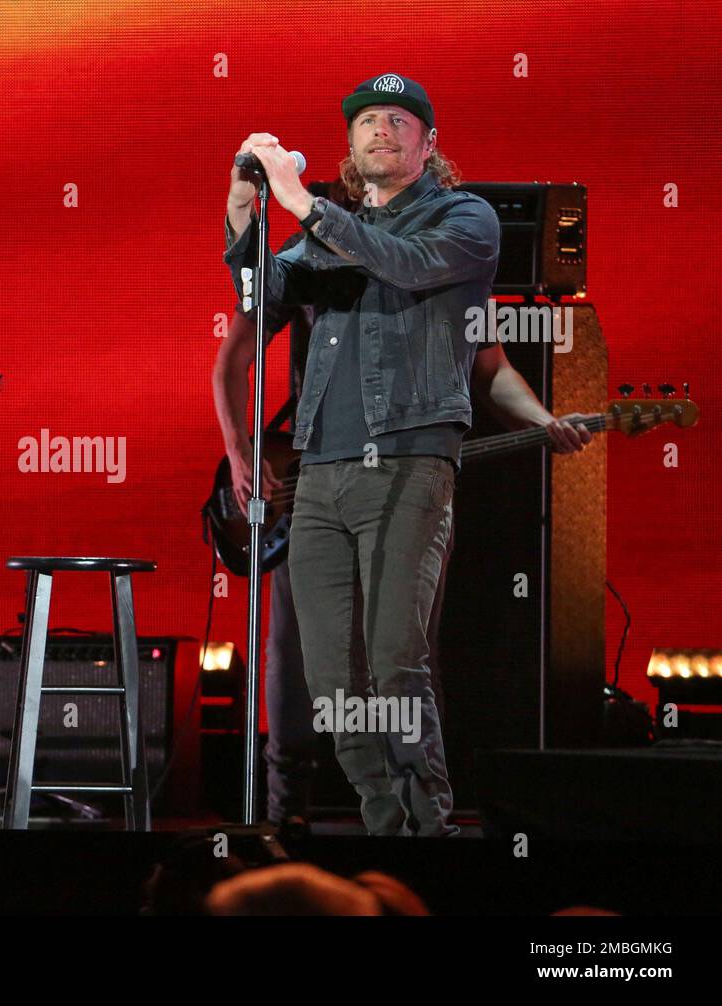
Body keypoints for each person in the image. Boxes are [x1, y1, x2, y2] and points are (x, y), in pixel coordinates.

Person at [221, 75, 588, 836]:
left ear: (428, 143)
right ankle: (386, 823)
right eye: (365, 121)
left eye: (399, 120)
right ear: (350, 146)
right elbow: (262, 299)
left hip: (409, 463)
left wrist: (305, 206)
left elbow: (406, 265)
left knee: (394, 661)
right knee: (332, 679)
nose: (380, 130)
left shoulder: (464, 219)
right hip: (320, 472)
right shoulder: (326, 228)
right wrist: (245, 223)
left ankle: (429, 827)